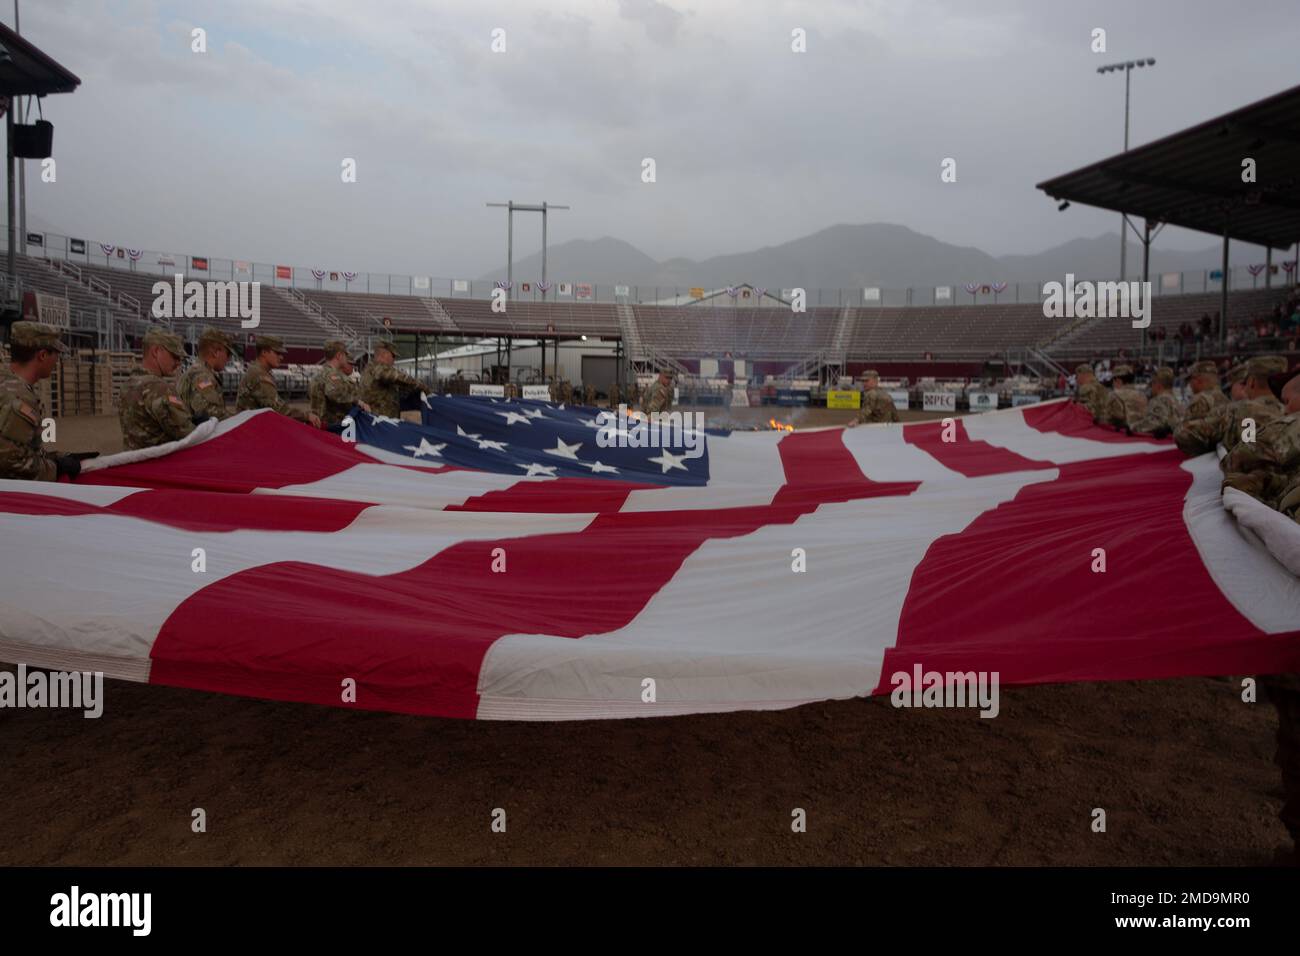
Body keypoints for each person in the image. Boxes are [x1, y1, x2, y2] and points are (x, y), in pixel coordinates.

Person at [0, 321, 81, 480]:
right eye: (56, 353)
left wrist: (56, 457)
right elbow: (12, 463)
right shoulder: (18, 397)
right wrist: (57, 467)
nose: (57, 359)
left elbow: (21, 446)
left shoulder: (6, 382)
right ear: (42, 355)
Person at [119, 326, 197, 450]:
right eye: (174, 356)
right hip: (159, 463)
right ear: (155, 351)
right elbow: (188, 434)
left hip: (134, 461)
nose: (178, 362)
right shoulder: (159, 388)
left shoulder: (127, 385)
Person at [236, 334, 321, 427]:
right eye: (277, 353)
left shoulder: (258, 371)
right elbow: (279, 409)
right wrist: (306, 416)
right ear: (264, 352)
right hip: (251, 430)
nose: (281, 357)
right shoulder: (259, 375)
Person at [178, 326, 237, 421]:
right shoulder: (202, 376)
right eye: (228, 354)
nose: (228, 359)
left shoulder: (195, 371)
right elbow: (212, 414)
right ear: (216, 352)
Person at [360, 339, 427, 417]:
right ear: (384, 354)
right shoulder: (379, 368)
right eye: (393, 356)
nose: (394, 360)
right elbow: (398, 377)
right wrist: (422, 386)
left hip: (377, 418)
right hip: (379, 420)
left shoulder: (371, 368)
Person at [1173, 360, 1228, 455]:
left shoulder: (1200, 399)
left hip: (1204, 454)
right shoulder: (1225, 398)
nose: (1189, 385)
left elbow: (1189, 432)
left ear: (1198, 381)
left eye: (1190, 381)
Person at [310, 340, 369, 428]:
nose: (346, 358)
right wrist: (358, 402)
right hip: (332, 426)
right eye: (345, 355)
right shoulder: (332, 374)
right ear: (339, 356)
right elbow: (334, 392)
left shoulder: (321, 373)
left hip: (322, 424)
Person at [1130, 366, 1183, 437]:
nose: (1151, 387)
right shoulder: (1175, 400)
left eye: (1152, 383)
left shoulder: (1159, 400)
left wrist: (1132, 427)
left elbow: (1154, 424)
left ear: (1158, 385)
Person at [1102, 363, 1147, 428]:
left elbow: (1107, 419)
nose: (1112, 384)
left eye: (1113, 381)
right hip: (1139, 433)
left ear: (1118, 381)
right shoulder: (1142, 396)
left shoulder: (1114, 395)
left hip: (1120, 433)